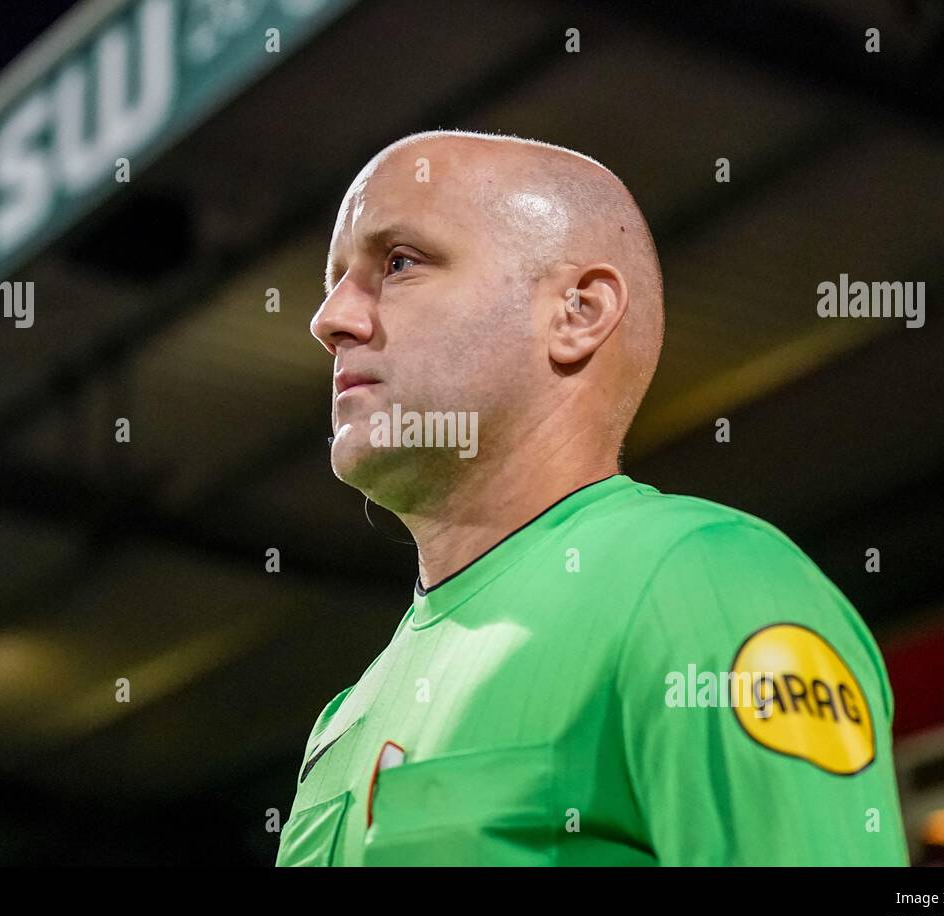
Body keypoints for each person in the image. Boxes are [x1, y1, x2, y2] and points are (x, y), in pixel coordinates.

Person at [276, 130, 908, 866]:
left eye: (399, 263)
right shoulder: (342, 722)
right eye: (334, 281)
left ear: (577, 312)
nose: (331, 319)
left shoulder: (707, 582)